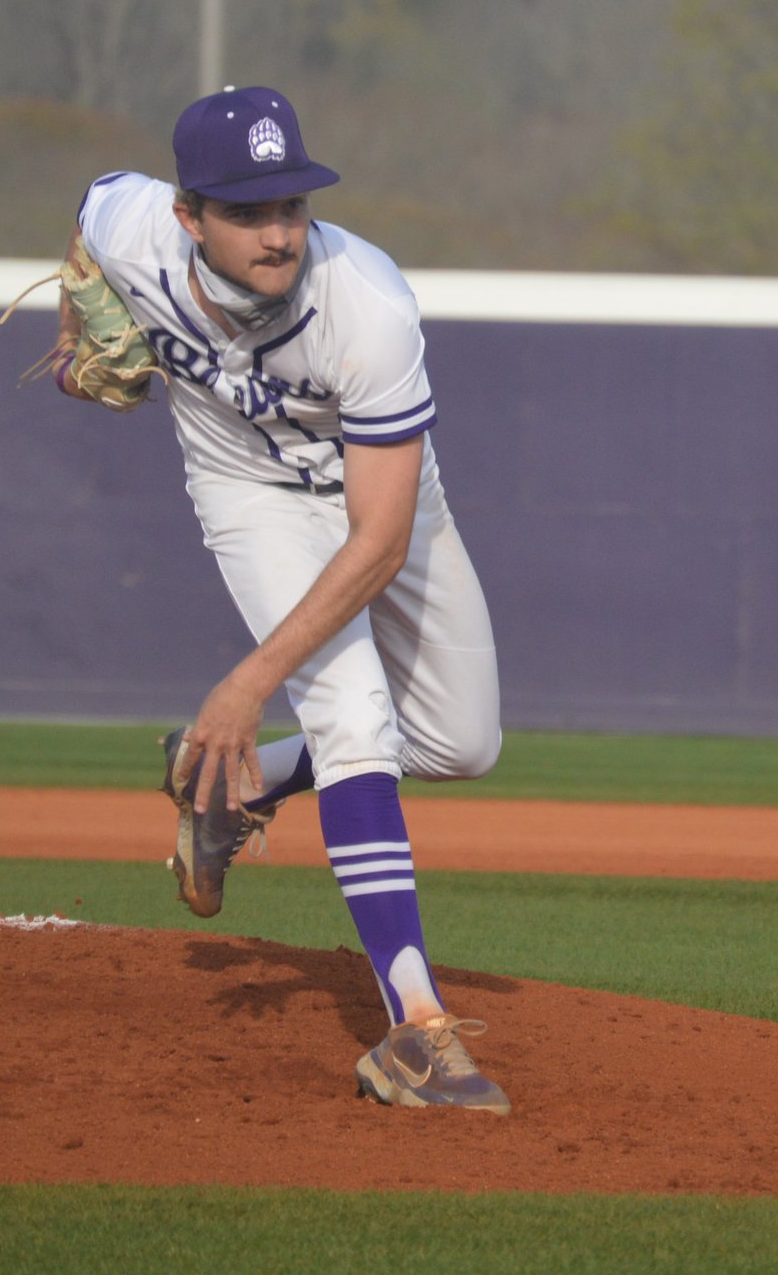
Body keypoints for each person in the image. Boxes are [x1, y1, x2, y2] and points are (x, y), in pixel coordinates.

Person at [56, 85, 510, 1114]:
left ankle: (228, 783)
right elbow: (88, 212)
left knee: (457, 745)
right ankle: (415, 1031)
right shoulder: (136, 229)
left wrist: (249, 682)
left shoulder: (369, 305)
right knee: (353, 718)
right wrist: (77, 325)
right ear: (189, 218)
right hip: (249, 498)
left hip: (383, 507)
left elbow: (381, 539)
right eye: (248, 212)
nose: (278, 232)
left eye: (292, 206)